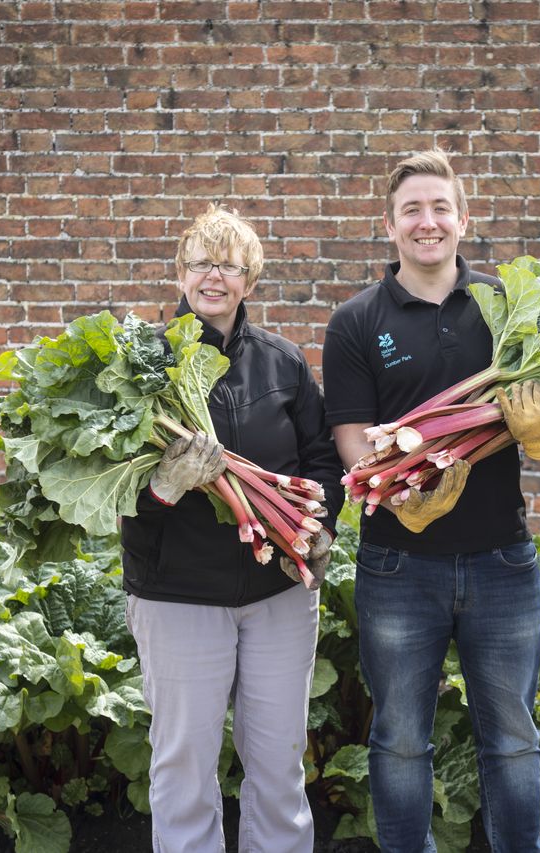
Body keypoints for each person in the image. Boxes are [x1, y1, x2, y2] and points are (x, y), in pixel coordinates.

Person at [321, 148, 540, 852]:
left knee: (514, 739)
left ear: (464, 219)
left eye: (440, 208)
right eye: (412, 211)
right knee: (398, 740)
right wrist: (398, 499)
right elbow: (352, 441)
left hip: (501, 561)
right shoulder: (355, 322)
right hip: (399, 565)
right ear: (389, 227)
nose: (428, 222)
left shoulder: (507, 309)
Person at [121, 204, 344, 853]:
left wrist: (318, 522)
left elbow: (324, 459)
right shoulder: (144, 369)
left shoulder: (282, 363)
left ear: (250, 277)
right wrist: (162, 487)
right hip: (176, 596)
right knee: (185, 770)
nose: (212, 275)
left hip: (278, 590)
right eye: (200, 262)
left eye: (227, 263)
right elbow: (118, 497)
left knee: (278, 767)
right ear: (180, 274)